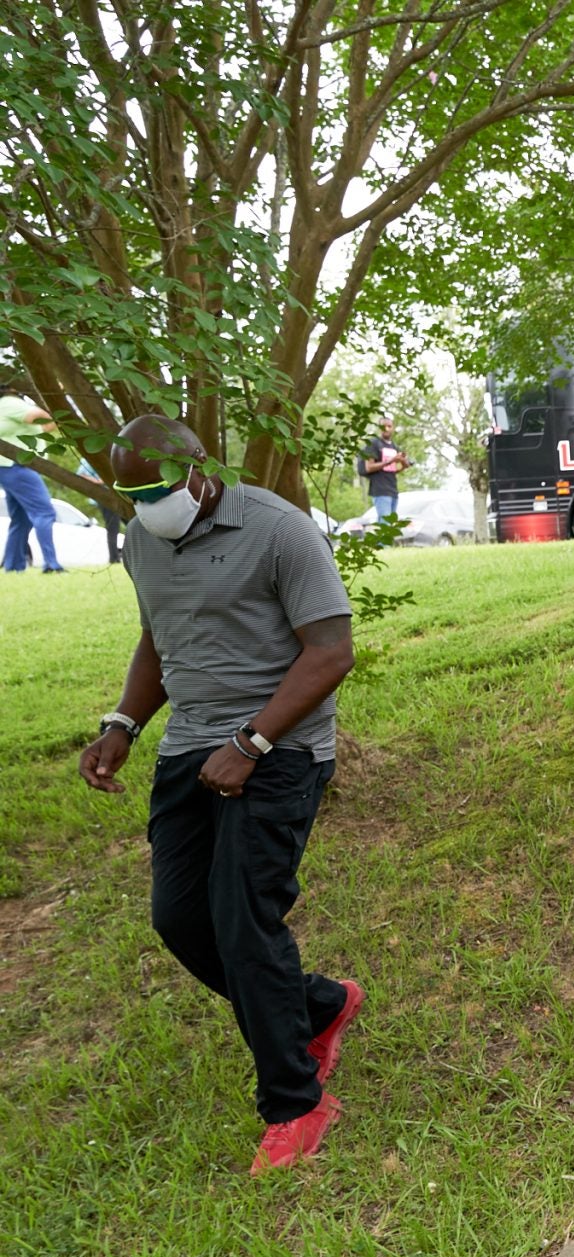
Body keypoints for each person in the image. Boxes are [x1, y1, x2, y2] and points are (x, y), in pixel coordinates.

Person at [77, 415, 364, 1172]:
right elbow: (160, 637)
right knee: (178, 918)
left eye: (158, 490)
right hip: (188, 749)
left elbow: (331, 652)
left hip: (279, 748)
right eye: (131, 494)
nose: (146, 506)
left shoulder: (279, 530)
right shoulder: (143, 538)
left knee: (242, 916)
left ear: (201, 469)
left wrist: (251, 743)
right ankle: (320, 1006)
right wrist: (124, 724)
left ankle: (297, 1103)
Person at [0, 393, 65, 573]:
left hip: (7, 468)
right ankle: (51, 564)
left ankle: (13, 566)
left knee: (21, 520)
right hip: (17, 467)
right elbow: (41, 417)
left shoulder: (6, 406)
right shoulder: (11, 402)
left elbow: (46, 427)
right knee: (44, 513)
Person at [358, 417, 406, 523]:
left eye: (389, 426)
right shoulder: (373, 443)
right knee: (385, 524)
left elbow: (392, 470)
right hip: (380, 490)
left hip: (393, 489)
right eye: (384, 426)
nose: (387, 429)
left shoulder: (394, 446)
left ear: (393, 428)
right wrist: (391, 460)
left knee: (391, 525)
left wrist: (403, 464)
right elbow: (369, 467)